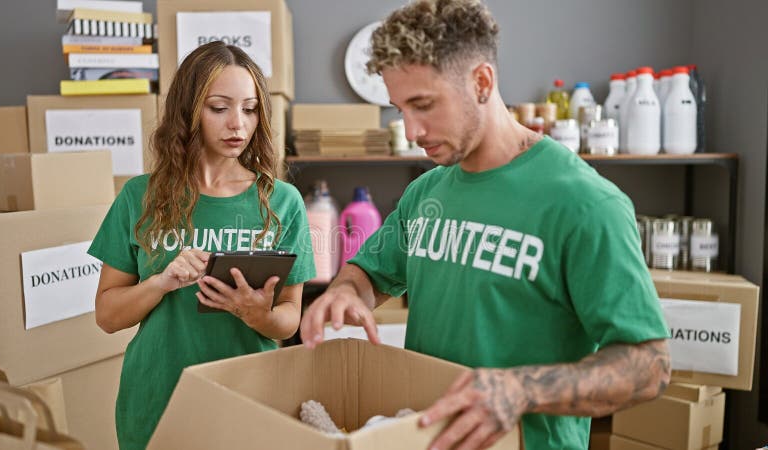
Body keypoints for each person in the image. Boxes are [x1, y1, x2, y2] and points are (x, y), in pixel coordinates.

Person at [299, 1, 671, 449]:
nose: (412, 130)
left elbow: (649, 366)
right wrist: (344, 291)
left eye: (423, 105)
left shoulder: (585, 204)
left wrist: (521, 390)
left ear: (481, 81)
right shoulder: (427, 192)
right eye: (400, 110)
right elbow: (369, 274)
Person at [88, 41, 315, 450]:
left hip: (248, 400)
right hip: (157, 399)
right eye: (219, 107)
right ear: (188, 111)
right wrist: (161, 282)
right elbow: (107, 316)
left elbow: (290, 320)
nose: (238, 125)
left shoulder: (281, 201)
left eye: (249, 109)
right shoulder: (139, 196)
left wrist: (257, 313)